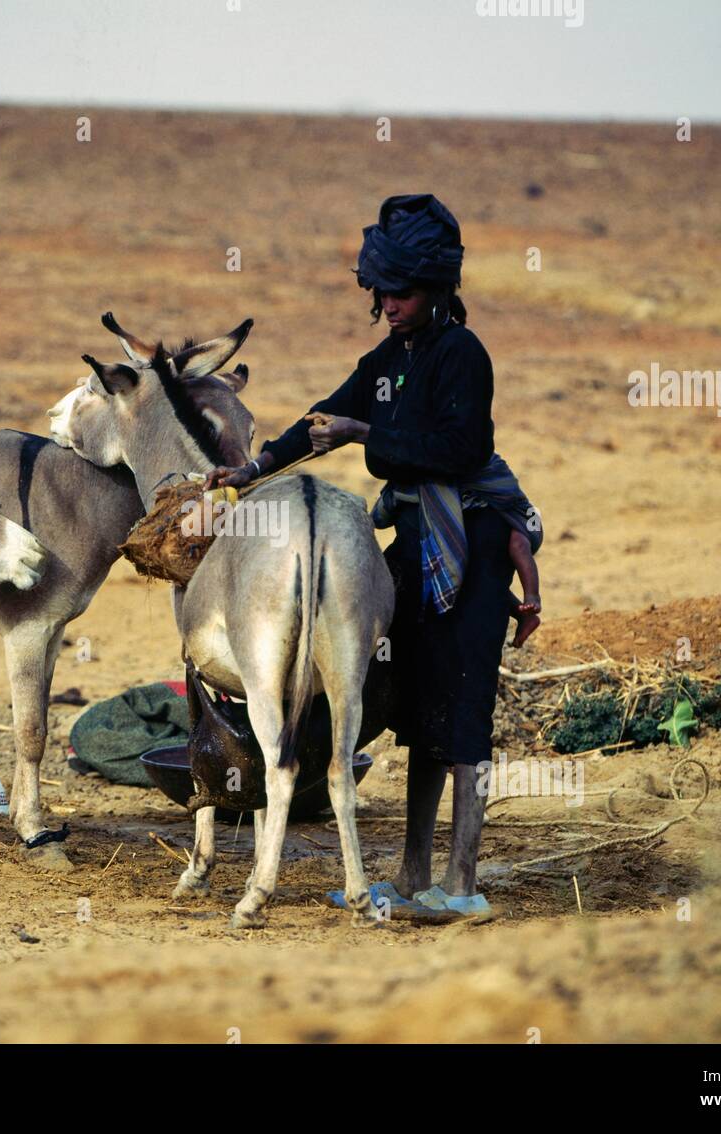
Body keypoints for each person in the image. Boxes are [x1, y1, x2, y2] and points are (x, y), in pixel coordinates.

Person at [206, 194, 543, 917]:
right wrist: (255, 467)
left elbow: (462, 451)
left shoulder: (463, 356)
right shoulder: (391, 356)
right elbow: (323, 419)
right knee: (422, 711)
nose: (391, 304)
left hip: (473, 547)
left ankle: (462, 884)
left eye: (406, 292)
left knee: (464, 719)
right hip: (418, 547)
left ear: (439, 289)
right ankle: (413, 877)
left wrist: (365, 432)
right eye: (383, 292)